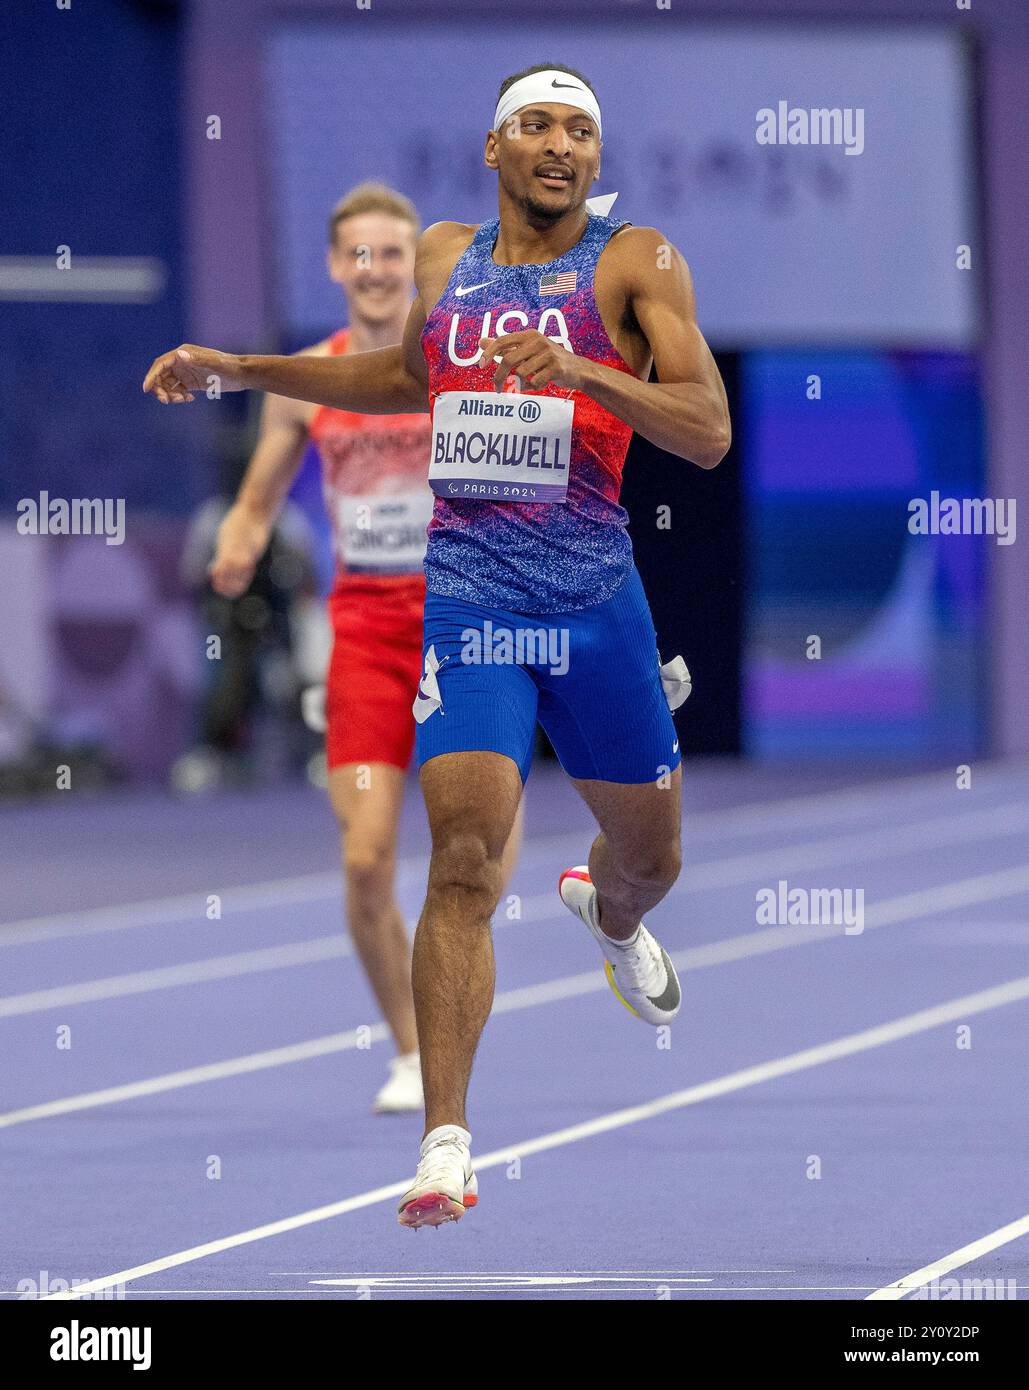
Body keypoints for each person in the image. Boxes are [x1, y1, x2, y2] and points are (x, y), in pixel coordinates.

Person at [144, 64, 731, 1226]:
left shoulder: (635, 261)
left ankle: (607, 913)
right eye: (538, 126)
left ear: (596, 161)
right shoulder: (444, 258)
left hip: (594, 599)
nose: (561, 145)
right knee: (461, 860)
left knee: (653, 861)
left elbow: (708, 428)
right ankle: (446, 1145)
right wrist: (246, 369)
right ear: (493, 148)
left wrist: (584, 372)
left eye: (581, 131)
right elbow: (404, 377)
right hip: (467, 597)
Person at [206, 183, 520, 1113]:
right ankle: (411, 1048)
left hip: (462, 623)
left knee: (475, 862)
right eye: (362, 255)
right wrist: (239, 535)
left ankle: (453, 1032)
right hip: (368, 636)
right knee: (365, 859)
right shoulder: (307, 380)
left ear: (418, 266)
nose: (378, 270)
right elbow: (261, 496)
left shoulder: (457, 361)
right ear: (339, 267)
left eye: (395, 253)